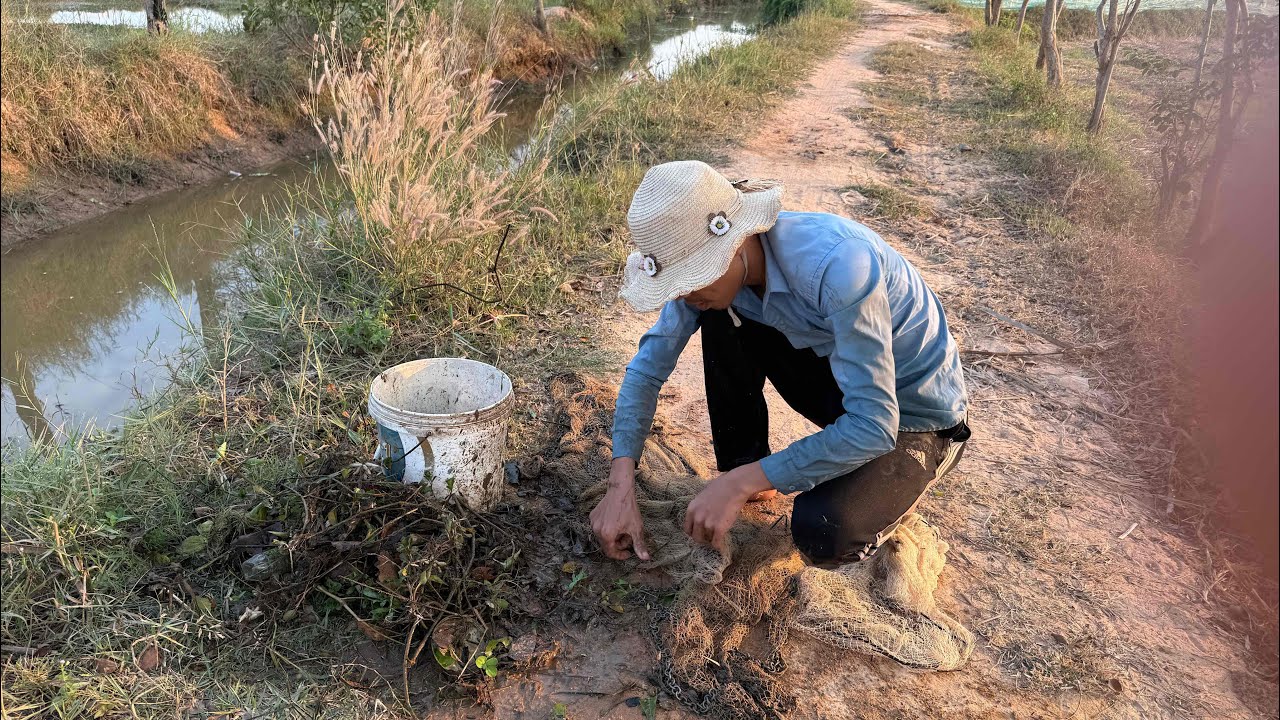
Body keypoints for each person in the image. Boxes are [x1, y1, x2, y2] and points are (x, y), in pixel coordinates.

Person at [590, 160, 971, 567]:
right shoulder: (710, 285)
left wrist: (736, 484)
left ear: (734, 243)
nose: (681, 295)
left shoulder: (841, 267)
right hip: (842, 383)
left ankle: (916, 469)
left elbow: (874, 426)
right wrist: (620, 486)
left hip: (912, 418)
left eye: (689, 279)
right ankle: (748, 466)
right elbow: (647, 370)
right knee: (718, 310)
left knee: (824, 531)